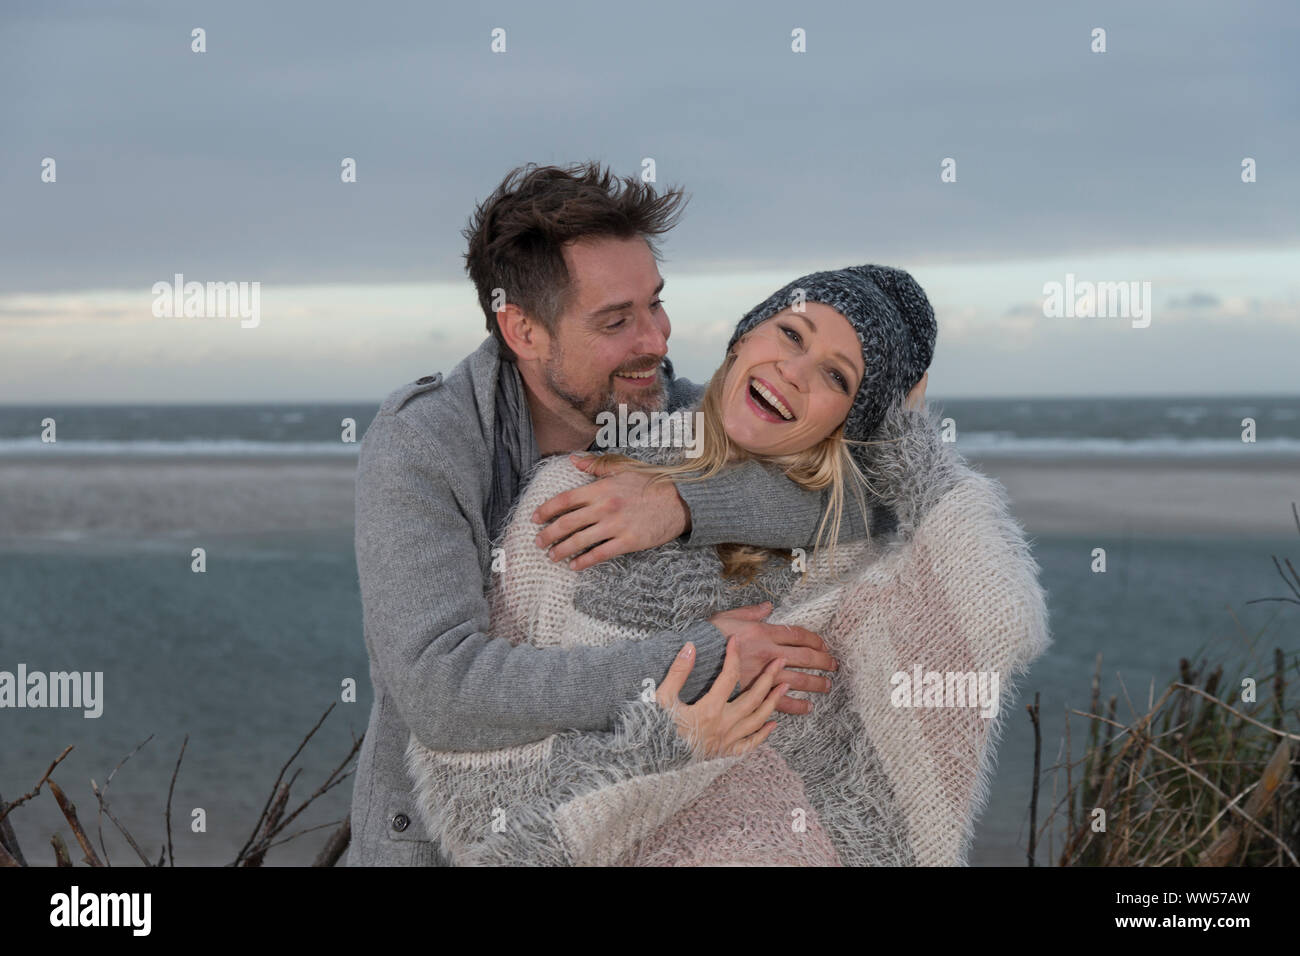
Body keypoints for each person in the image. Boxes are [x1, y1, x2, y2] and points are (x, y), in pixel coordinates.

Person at [347, 162, 884, 865]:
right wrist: (706, 656)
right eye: (616, 321)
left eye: (655, 304)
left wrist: (685, 502)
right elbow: (445, 692)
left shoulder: (674, 416)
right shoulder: (425, 444)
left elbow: (877, 499)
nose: (656, 340)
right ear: (523, 330)